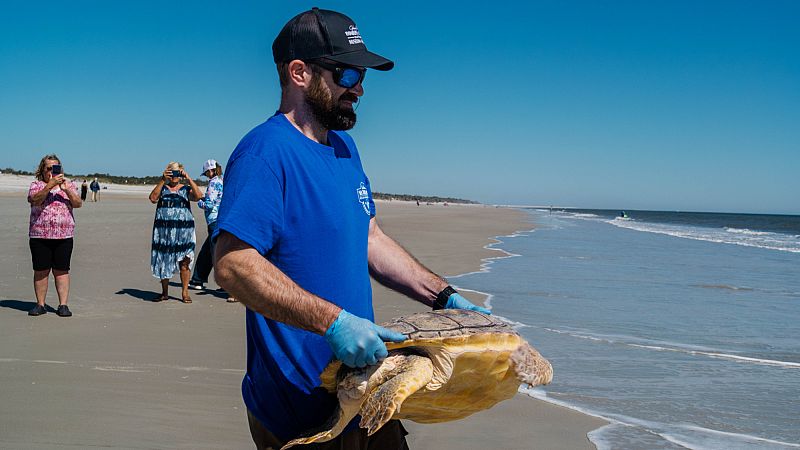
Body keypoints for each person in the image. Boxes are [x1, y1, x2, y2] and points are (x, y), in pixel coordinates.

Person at [213, 8, 490, 449]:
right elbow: (232, 264)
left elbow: (370, 239)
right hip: (298, 408)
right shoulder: (264, 153)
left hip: (366, 389)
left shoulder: (345, 148)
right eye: (347, 73)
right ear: (299, 72)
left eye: (362, 75)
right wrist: (334, 323)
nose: (359, 88)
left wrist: (445, 298)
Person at [27, 154, 83, 317]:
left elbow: (78, 203)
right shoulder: (36, 185)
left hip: (64, 236)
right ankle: (40, 304)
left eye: (55, 168)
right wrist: (49, 186)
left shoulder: (69, 185)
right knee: (41, 271)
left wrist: (66, 190)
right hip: (40, 235)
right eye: (48, 168)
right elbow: (35, 200)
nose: (52, 171)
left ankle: (63, 305)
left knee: (62, 271)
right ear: (42, 170)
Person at [148, 162, 202, 303]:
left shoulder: (186, 189)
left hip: (184, 232)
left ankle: (185, 293)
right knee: (164, 260)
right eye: (172, 172)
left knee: (185, 261)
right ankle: (164, 292)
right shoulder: (162, 188)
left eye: (177, 172)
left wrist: (188, 178)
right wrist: (162, 180)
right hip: (164, 232)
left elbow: (198, 196)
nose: (174, 176)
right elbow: (153, 198)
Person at [188, 159, 236, 302]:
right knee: (208, 251)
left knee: (217, 253)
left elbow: (209, 205)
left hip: (214, 221)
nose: (206, 176)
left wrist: (200, 202)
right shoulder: (223, 181)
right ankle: (198, 279)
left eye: (206, 173)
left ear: (210, 171)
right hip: (221, 219)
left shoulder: (214, 183)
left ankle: (228, 285)